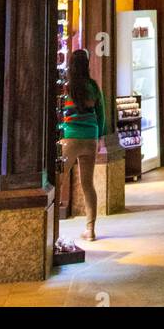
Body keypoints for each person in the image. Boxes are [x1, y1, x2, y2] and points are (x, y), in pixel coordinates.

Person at [60, 48, 106, 243]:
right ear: (86, 65)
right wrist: (99, 137)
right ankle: (90, 229)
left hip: (70, 137)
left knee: (58, 180)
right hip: (90, 137)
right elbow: (101, 114)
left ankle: (53, 228)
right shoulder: (93, 87)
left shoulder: (67, 87)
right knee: (88, 184)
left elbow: (62, 112)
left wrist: (62, 132)